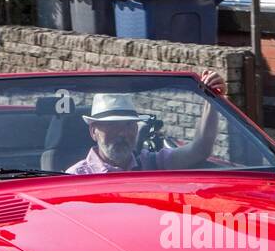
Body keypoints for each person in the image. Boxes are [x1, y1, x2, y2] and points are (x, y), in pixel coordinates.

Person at [66, 71, 225, 175]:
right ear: (93, 131)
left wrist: (210, 97)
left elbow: (200, 150)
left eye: (128, 125)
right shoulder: (75, 177)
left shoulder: (151, 162)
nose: (122, 133)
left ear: (136, 128)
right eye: (113, 125)